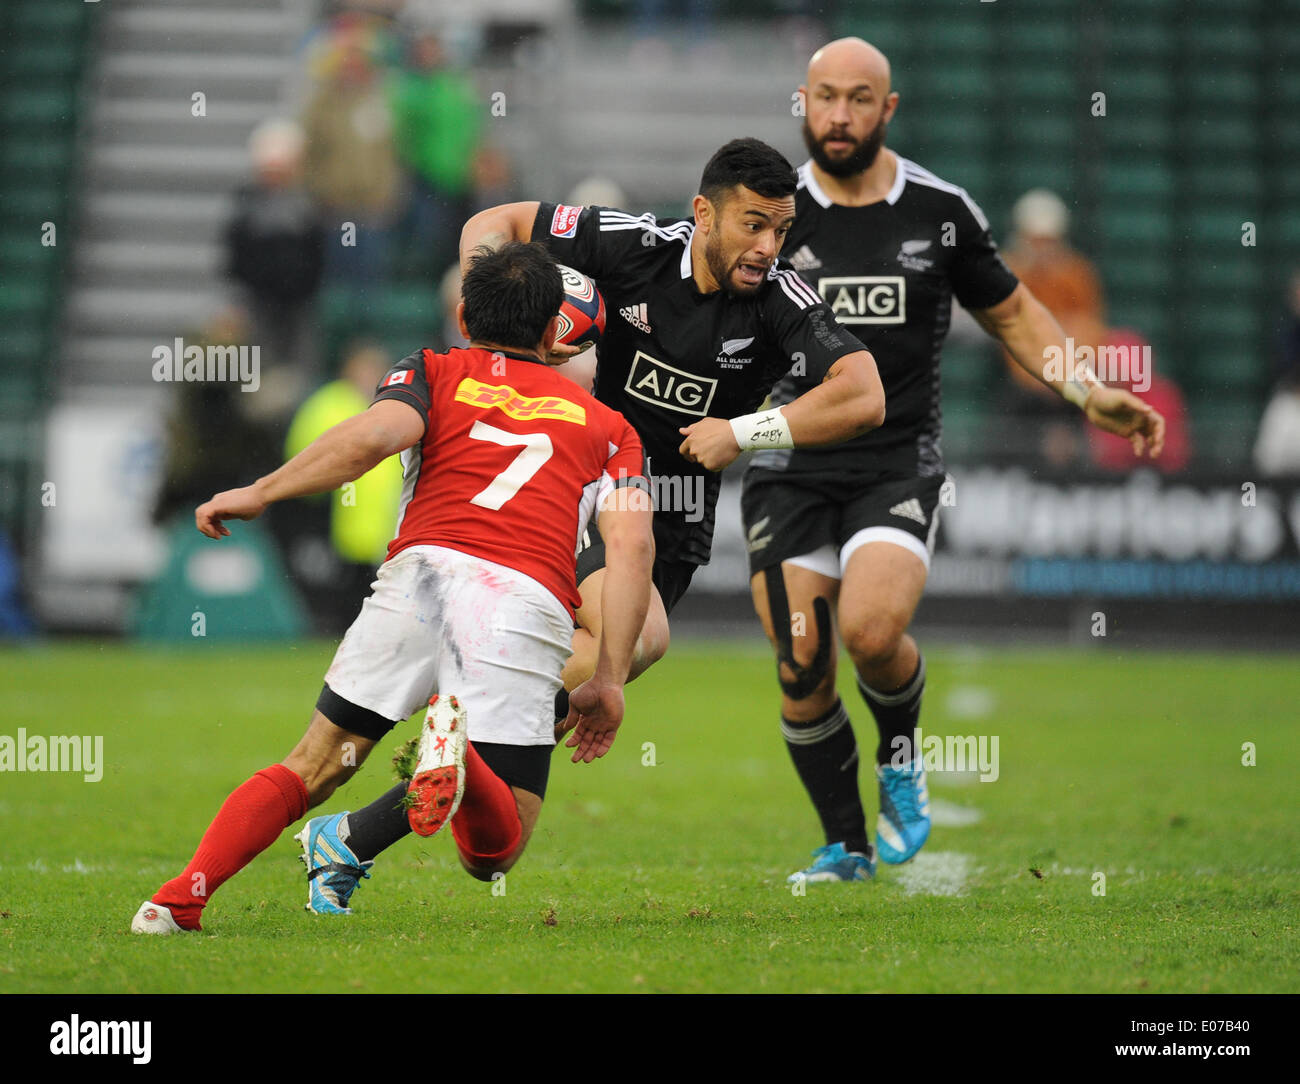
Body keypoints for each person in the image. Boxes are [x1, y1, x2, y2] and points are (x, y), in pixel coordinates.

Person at [291, 137, 887, 914]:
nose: (768, 248)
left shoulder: (780, 299)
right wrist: (481, 324)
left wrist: (747, 433)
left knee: (513, 809)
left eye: (781, 229)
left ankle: (355, 833)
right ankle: (442, 713)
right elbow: (496, 219)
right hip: (586, 490)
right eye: (753, 225)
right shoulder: (633, 244)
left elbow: (865, 393)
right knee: (637, 641)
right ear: (704, 213)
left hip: (669, 527)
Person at [131, 242, 654, 932]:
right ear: (554, 331)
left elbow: (373, 437)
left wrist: (263, 490)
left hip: (417, 586)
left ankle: (178, 897)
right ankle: (459, 753)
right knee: (495, 854)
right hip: (519, 605)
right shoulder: (610, 427)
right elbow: (632, 543)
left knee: (315, 763)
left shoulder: (433, 371)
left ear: (464, 314)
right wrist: (609, 677)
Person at [742, 38, 1167, 884]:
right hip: (788, 463)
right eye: (824, 97)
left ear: (887, 109)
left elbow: (1014, 316)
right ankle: (846, 847)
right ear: (802, 100)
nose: (838, 116)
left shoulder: (938, 209)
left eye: (859, 99)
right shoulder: (772, 212)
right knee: (802, 663)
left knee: (869, 632)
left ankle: (899, 754)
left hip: (895, 464)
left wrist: (1087, 392)